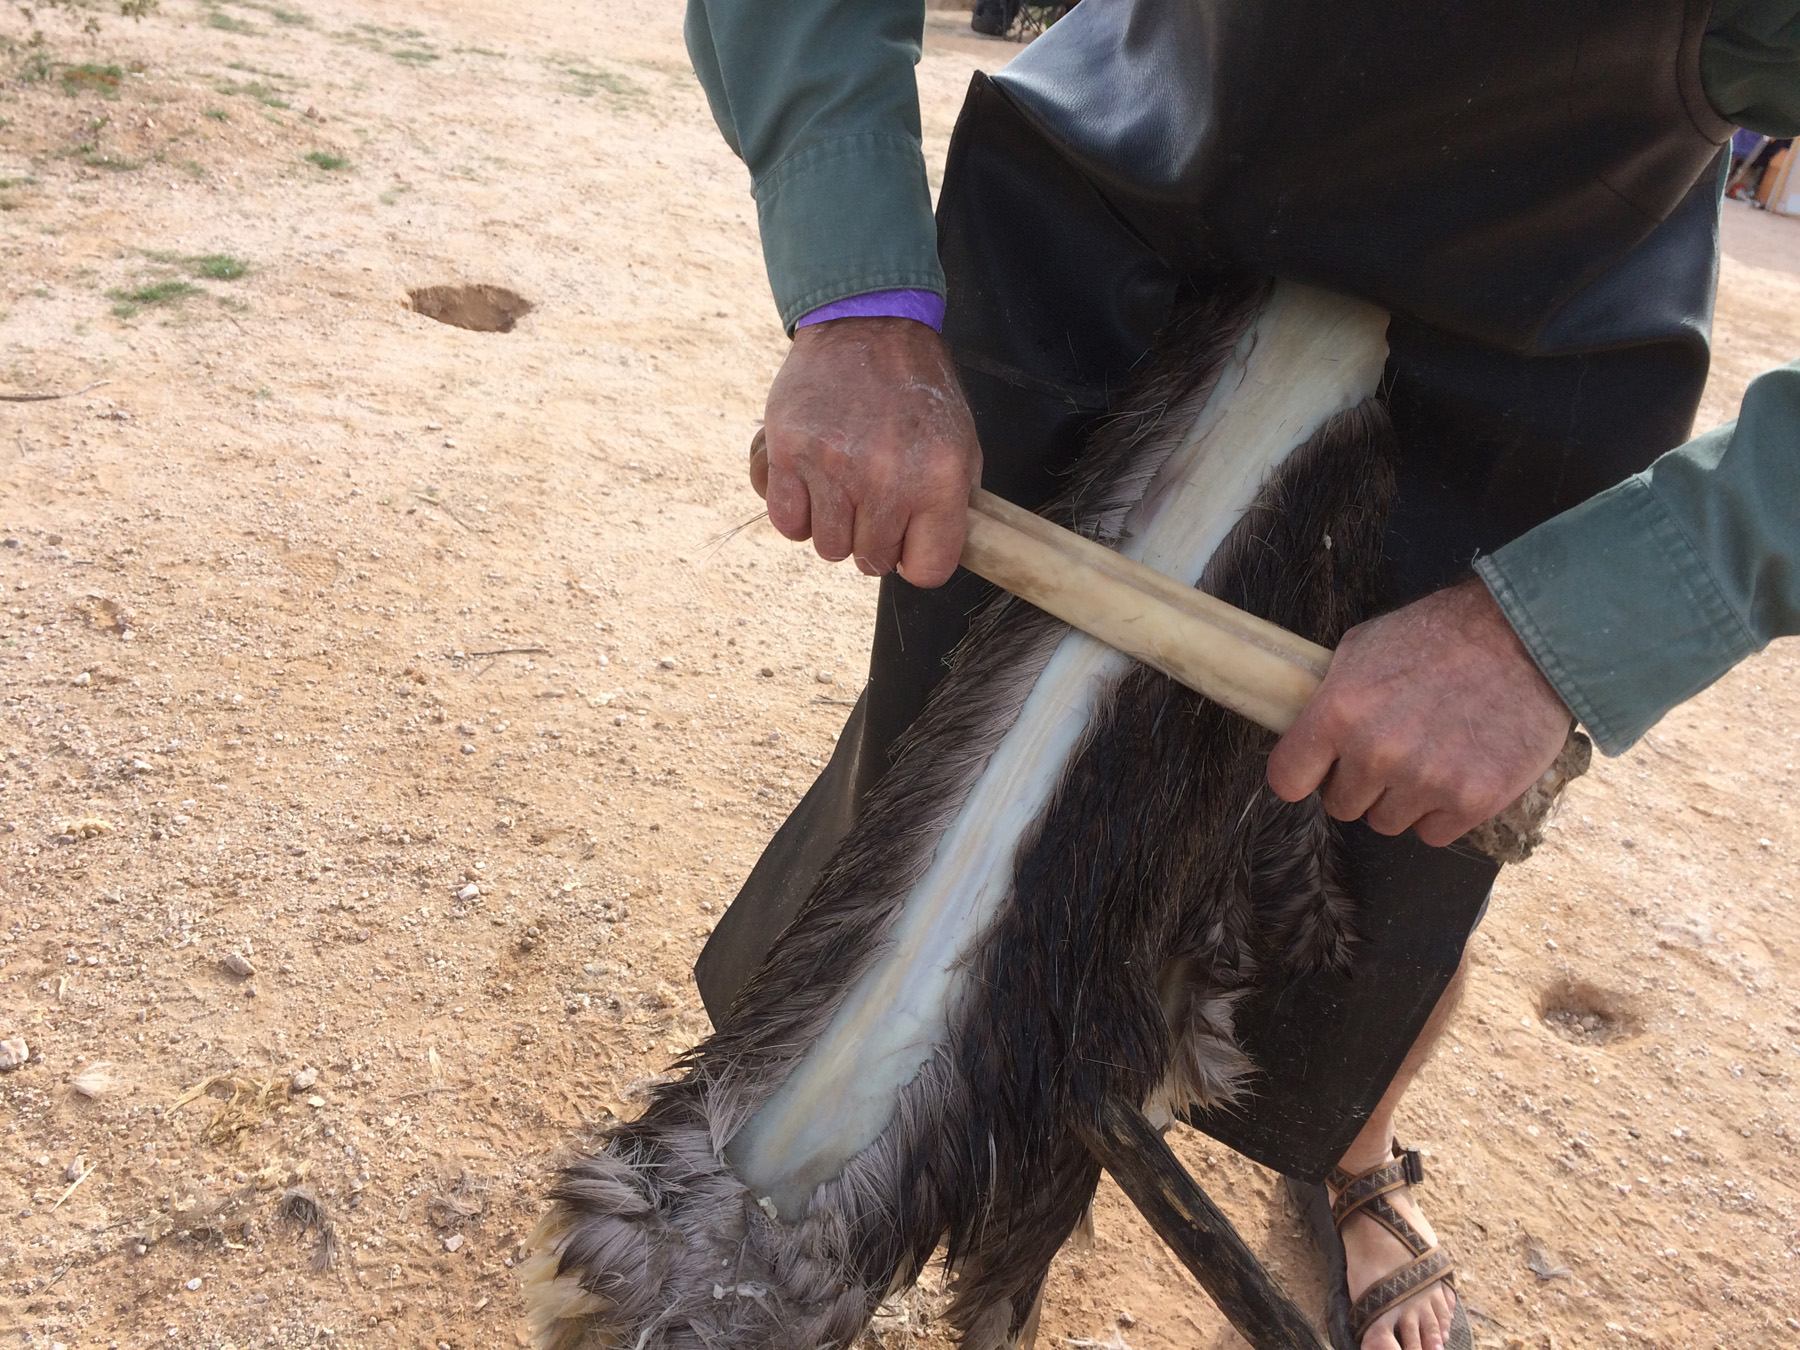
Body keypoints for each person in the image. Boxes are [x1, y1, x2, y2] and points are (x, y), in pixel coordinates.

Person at [684, 2, 1800, 1347]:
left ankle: (1353, 1150)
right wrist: (855, 292)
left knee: (1389, 875)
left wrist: (1582, 614)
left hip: (1533, 316)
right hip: (1110, 205)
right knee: (950, 773)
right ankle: (816, 1173)